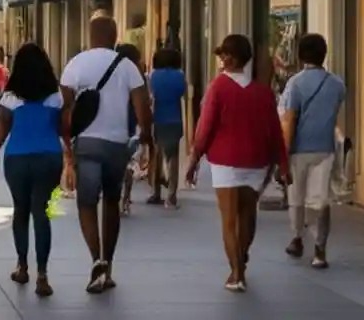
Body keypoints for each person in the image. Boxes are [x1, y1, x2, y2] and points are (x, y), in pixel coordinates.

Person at [187, 34, 288, 293]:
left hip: (226, 161)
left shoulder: (218, 87)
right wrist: (283, 165)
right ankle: (241, 257)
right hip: (257, 162)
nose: (220, 59)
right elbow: (275, 132)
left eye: (223, 54)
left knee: (229, 221)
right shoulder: (263, 92)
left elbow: (206, 126)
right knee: (248, 216)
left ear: (230, 58)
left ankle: (236, 272)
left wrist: (195, 157)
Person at [59, 16, 151, 294]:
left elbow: (64, 110)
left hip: (85, 144)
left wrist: (66, 149)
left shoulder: (75, 64)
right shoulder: (127, 67)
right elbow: (142, 107)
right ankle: (107, 265)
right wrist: (145, 137)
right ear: (114, 36)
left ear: (89, 36)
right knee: (111, 201)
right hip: (116, 145)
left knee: (86, 203)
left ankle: (95, 259)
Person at [0, 42, 74, 297]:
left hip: (17, 159)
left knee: (20, 211)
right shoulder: (56, 96)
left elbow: (0, 132)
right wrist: (70, 159)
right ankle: (43, 275)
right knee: (42, 212)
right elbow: (64, 130)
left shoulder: (10, 97)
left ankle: (22, 266)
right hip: (49, 158)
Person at [280, 33, 346, 269]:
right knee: (321, 200)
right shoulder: (337, 84)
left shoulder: (295, 83)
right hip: (325, 149)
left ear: (300, 55)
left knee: (296, 198)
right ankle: (320, 249)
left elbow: (289, 119)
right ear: (323, 54)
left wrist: (283, 154)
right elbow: (334, 112)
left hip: (298, 149)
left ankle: (297, 238)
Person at [148, 47, 187, 209]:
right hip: (175, 119)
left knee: (156, 155)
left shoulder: (153, 76)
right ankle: (171, 195)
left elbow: (152, 95)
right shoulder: (179, 76)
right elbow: (183, 92)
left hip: (158, 118)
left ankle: (156, 192)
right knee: (173, 157)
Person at [114, 43, 146, 217]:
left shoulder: (112, 72)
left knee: (116, 164)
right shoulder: (136, 74)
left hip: (112, 123)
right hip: (131, 124)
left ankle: (116, 196)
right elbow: (143, 101)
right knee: (128, 163)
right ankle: (125, 198)